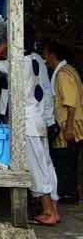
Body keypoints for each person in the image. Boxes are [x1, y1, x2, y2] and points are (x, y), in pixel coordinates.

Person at [0, 41, 60, 224]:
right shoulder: (38, 59)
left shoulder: (17, 63)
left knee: (36, 168)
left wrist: (3, 45)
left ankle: (48, 212)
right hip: (39, 118)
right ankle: (54, 209)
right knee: (46, 164)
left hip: (27, 122)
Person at [44, 40, 83, 204]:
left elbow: (71, 103)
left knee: (64, 160)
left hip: (70, 124)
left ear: (52, 55)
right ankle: (69, 192)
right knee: (68, 160)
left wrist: (68, 129)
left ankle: (67, 194)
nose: (44, 58)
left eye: (45, 54)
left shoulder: (63, 74)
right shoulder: (67, 71)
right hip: (69, 123)